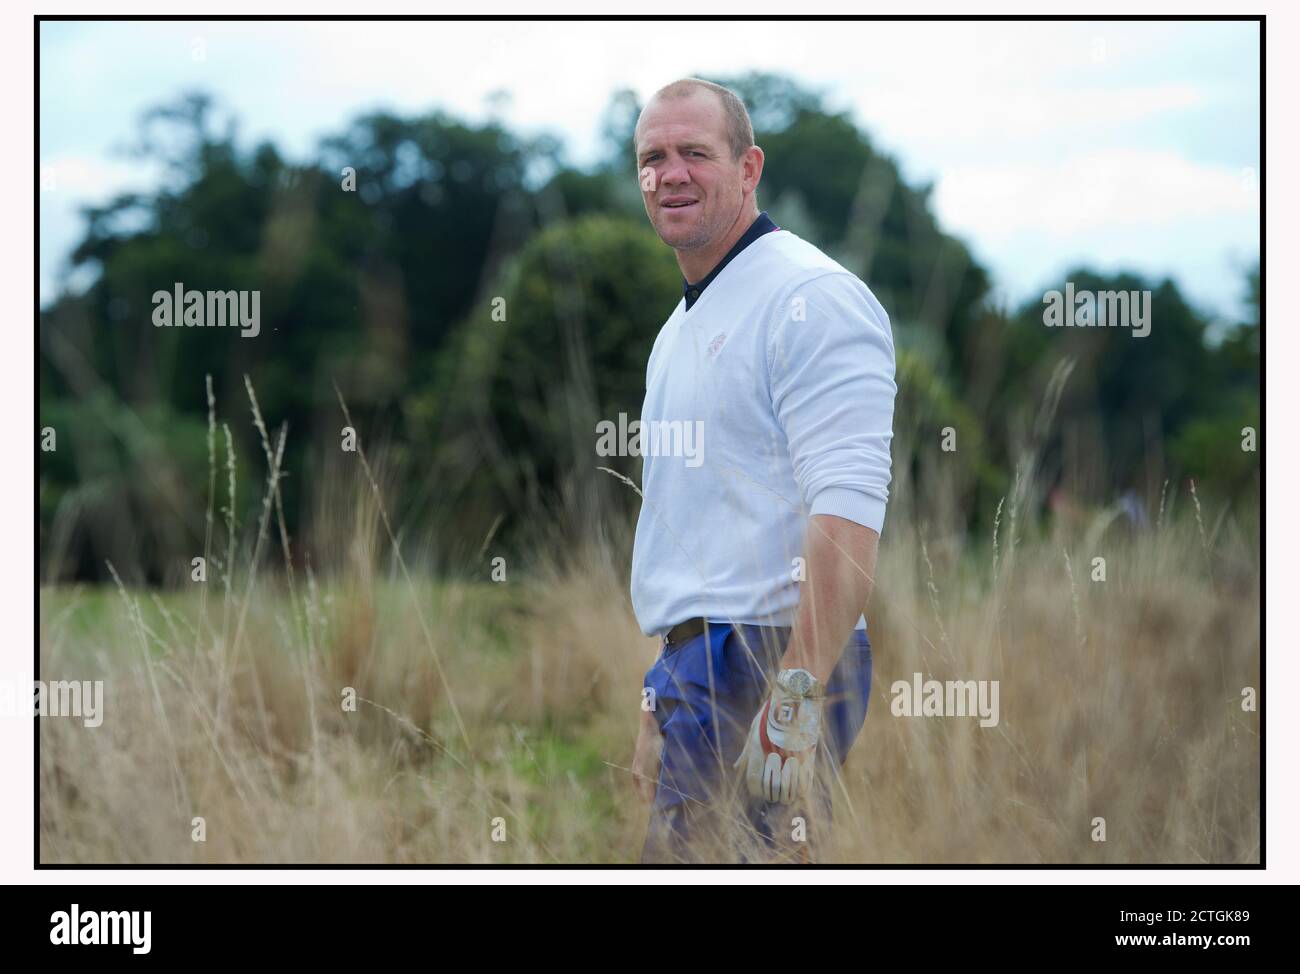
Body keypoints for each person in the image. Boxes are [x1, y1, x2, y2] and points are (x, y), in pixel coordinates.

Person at [627, 78, 898, 863]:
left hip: (767, 661)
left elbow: (846, 516)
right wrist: (657, 697)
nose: (669, 173)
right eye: (652, 157)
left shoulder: (809, 297)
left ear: (748, 168)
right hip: (692, 669)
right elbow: (689, 536)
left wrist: (796, 702)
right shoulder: (676, 330)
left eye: (694, 154)